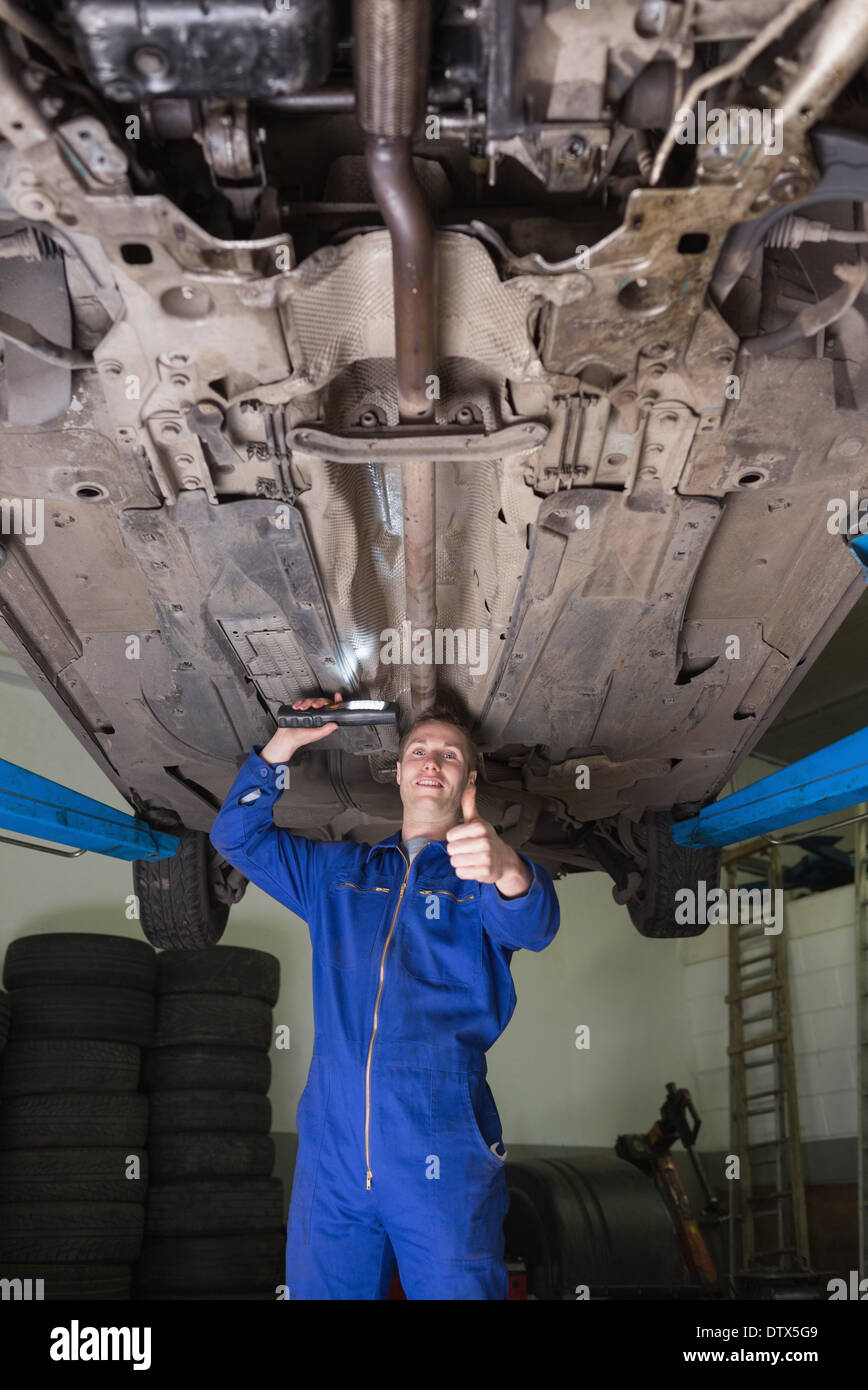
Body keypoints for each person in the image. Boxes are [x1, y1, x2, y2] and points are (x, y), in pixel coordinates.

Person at [209, 691, 560, 1299]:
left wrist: (506, 865)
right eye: (419, 750)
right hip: (332, 1152)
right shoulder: (337, 877)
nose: (432, 761)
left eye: (449, 755)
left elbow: (536, 926)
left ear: (468, 779)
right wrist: (283, 745)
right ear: (396, 772)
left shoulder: (478, 883)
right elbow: (236, 836)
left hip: (441, 1144)